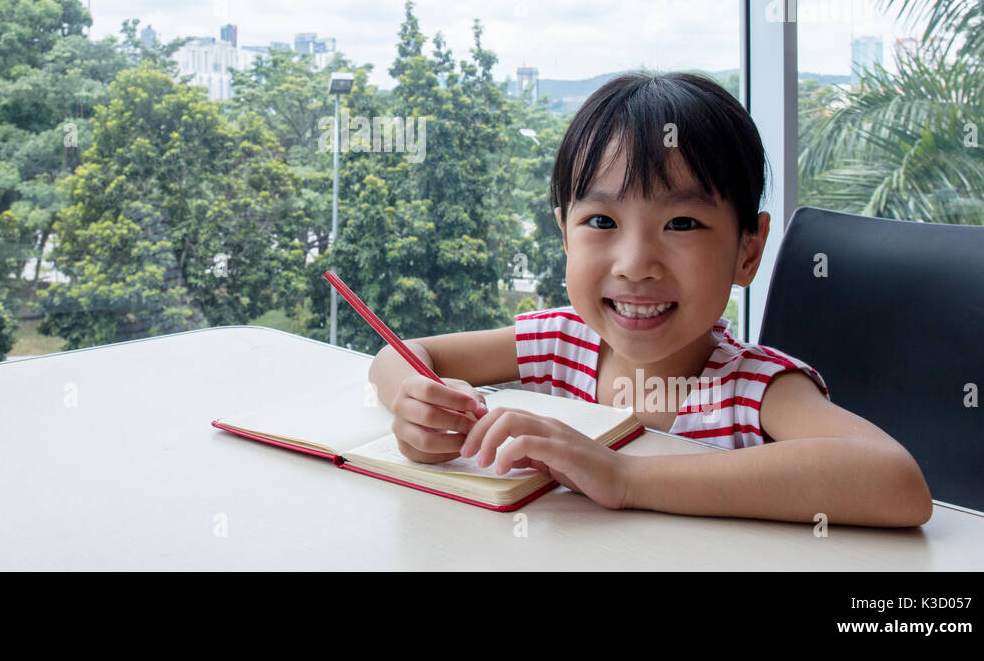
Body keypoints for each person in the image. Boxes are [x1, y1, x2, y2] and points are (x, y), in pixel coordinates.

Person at [367, 71, 933, 527]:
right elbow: (401, 355)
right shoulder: (559, 343)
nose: (636, 264)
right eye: (602, 220)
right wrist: (418, 404)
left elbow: (896, 482)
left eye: (682, 222)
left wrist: (623, 478)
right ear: (565, 234)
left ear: (748, 250)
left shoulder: (752, 387)